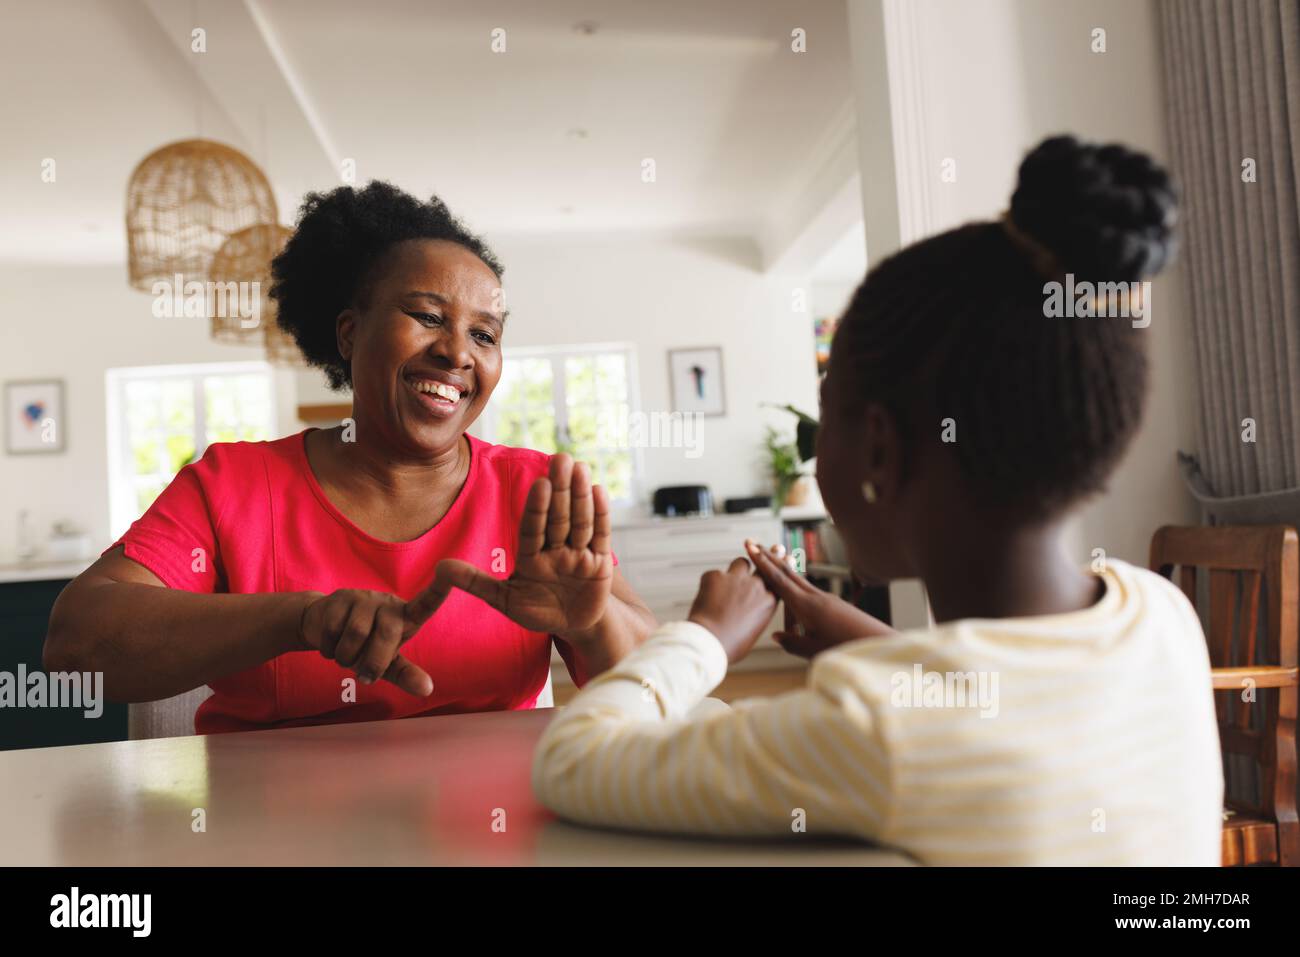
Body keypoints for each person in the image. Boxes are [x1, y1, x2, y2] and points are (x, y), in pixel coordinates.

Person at [529, 135, 1224, 865]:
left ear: (882, 451)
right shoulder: (1160, 612)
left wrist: (706, 635)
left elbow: (573, 757)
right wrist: (863, 635)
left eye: (829, 412)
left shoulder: (880, 727)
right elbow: (1014, 699)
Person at [45, 182, 656, 732]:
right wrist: (301, 620)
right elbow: (77, 653)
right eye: (427, 317)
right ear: (348, 333)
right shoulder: (235, 485)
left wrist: (591, 623)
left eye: (485, 334)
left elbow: (659, 687)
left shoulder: (532, 491)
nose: (456, 353)